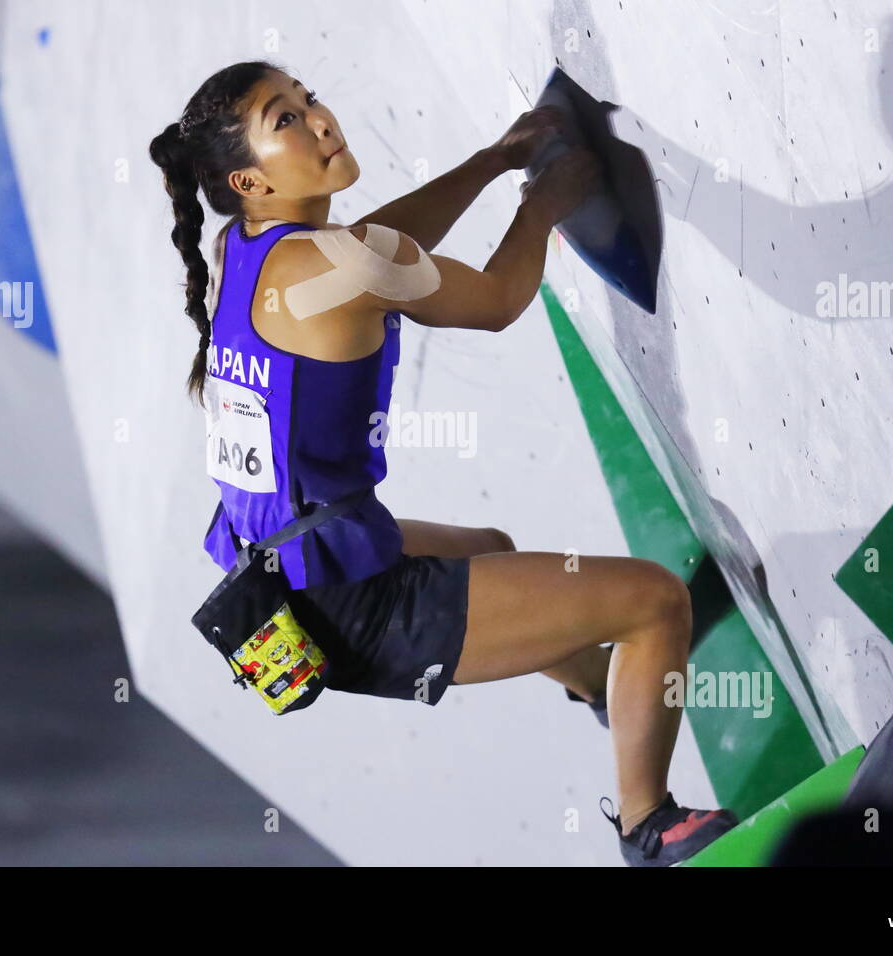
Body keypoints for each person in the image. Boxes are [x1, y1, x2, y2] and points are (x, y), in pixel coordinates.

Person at [148, 61, 738, 866]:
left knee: (489, 550)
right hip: (353, 603)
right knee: (656, 603)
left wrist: (496, 159)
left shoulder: (242, 245)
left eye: (308, 96)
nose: (320, 119)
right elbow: (495, 299)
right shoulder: (335, 267)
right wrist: (542, 208)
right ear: (249, 178)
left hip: (284, 574)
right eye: (285, 121)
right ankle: (649, 827)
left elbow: (377, 249)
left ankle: (602, 686)